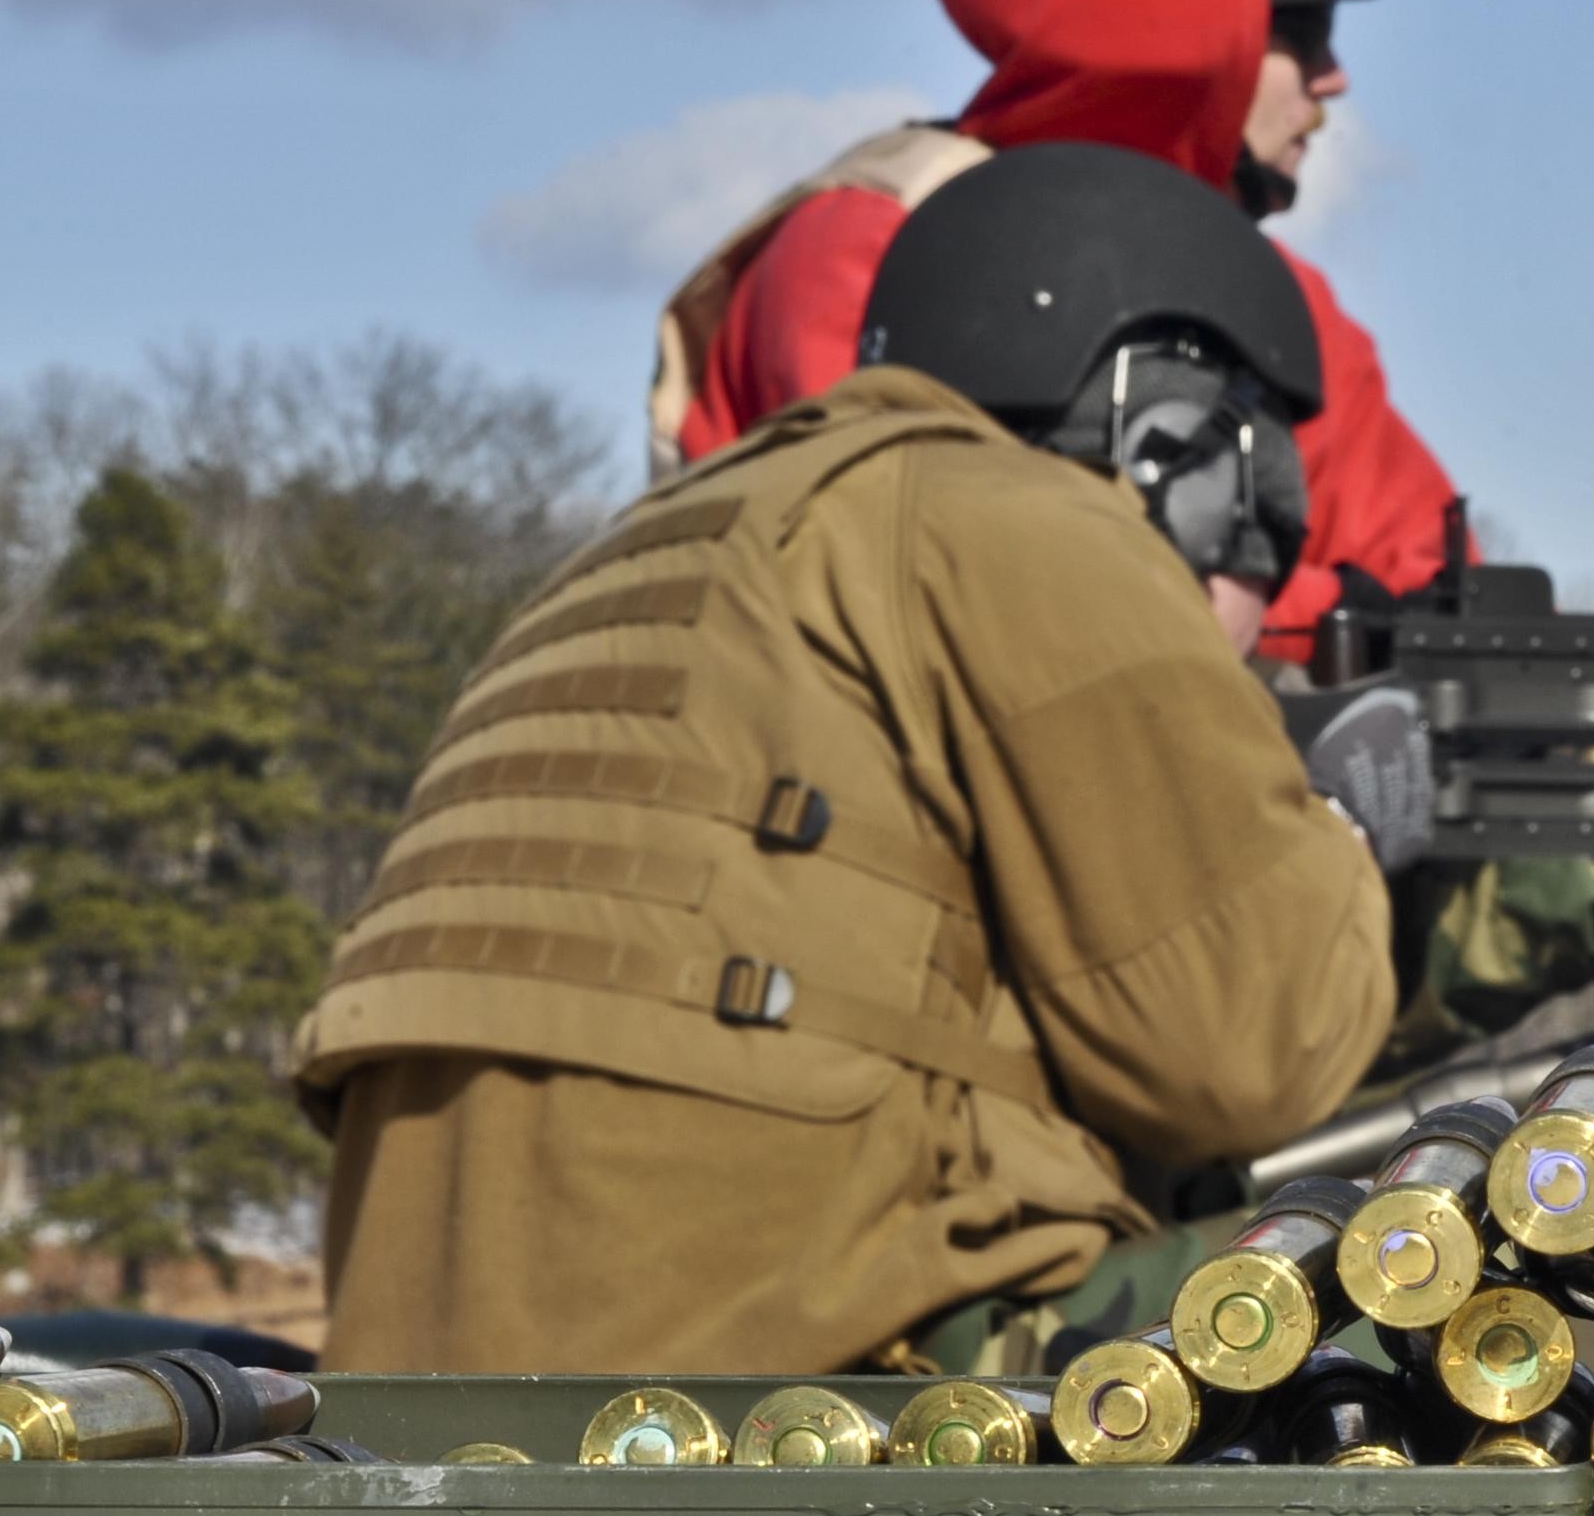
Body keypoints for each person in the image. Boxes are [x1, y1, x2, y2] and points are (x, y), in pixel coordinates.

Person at [304, 145, 1405, 1377]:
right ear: (1167, 450)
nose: (1259, 601)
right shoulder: (1031, 521)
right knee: (1450, 1282)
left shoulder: (645, 554)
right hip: (800, 1371)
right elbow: (1250, 1053)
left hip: (430, 1382)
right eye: (1264, 517)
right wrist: (1347, 822)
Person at [649, 0, 1464, 624]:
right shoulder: (874, 253)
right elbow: (913, 579)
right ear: (1184, 18)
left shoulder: (1281, 312)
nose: (1334, 77)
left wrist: (1298, 600)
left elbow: (1441, 583)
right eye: (1303, 30)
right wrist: (1318, 607)